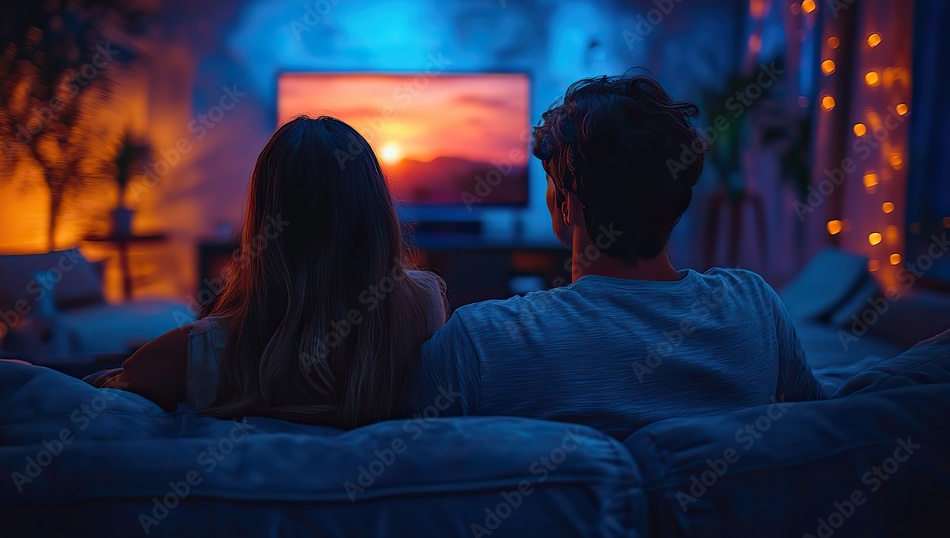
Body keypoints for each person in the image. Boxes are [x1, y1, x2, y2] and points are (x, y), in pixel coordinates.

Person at [399, 73, 825, 439]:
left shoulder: (478, 340)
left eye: (552, 183)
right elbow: (819, 425)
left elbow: (396, 447)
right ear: (677, 196)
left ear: (570, 206)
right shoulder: (755, 307)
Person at [96, 116, 448, 430]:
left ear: (265, 220)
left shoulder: (202, 348)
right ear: (375, 211)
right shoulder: (425, 304)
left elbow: (99, 396)